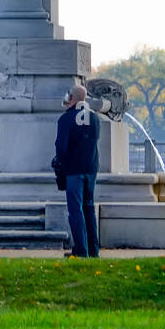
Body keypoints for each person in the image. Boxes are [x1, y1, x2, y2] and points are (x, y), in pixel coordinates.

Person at [54, 84, 105, 258]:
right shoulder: (95, 118)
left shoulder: (66, 119)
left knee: (75, 210)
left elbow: (61, 147)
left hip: (73, 170)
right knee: (89, 208)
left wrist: (59, 164)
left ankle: (81, 250)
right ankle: (93, 250)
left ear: (71, 98)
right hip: (91, 168)